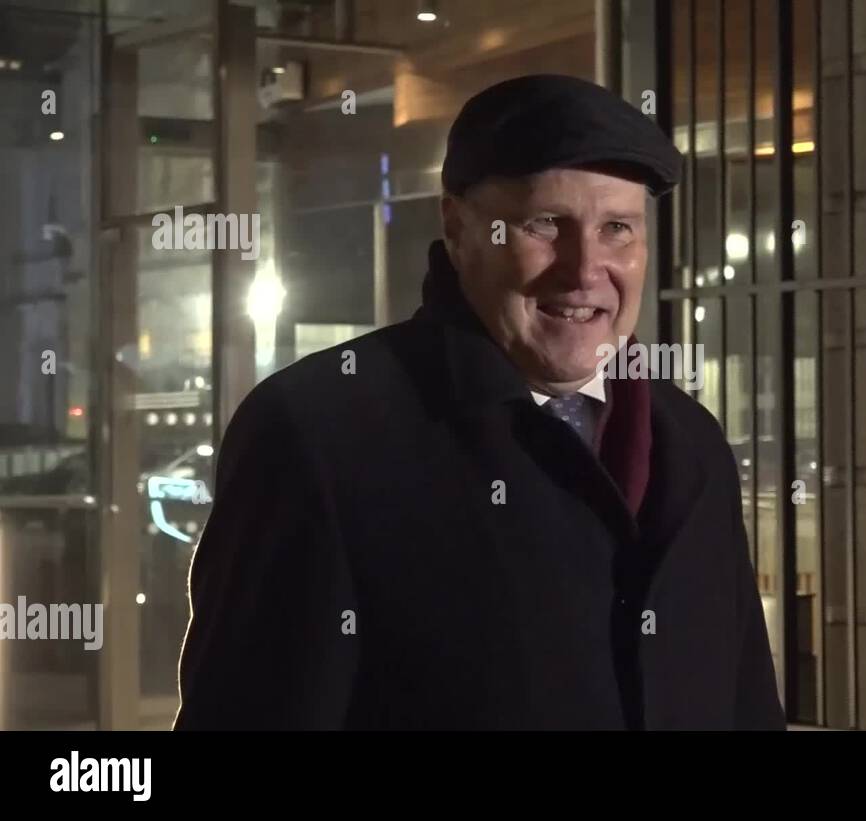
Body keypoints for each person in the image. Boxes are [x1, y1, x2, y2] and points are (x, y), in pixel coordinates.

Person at [173, 73, 784, 730]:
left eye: (617, 229)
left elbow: (746, 700)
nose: (584, 269)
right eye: (545, 223)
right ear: (457, 227)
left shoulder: (691, 439)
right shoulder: (321, 434)